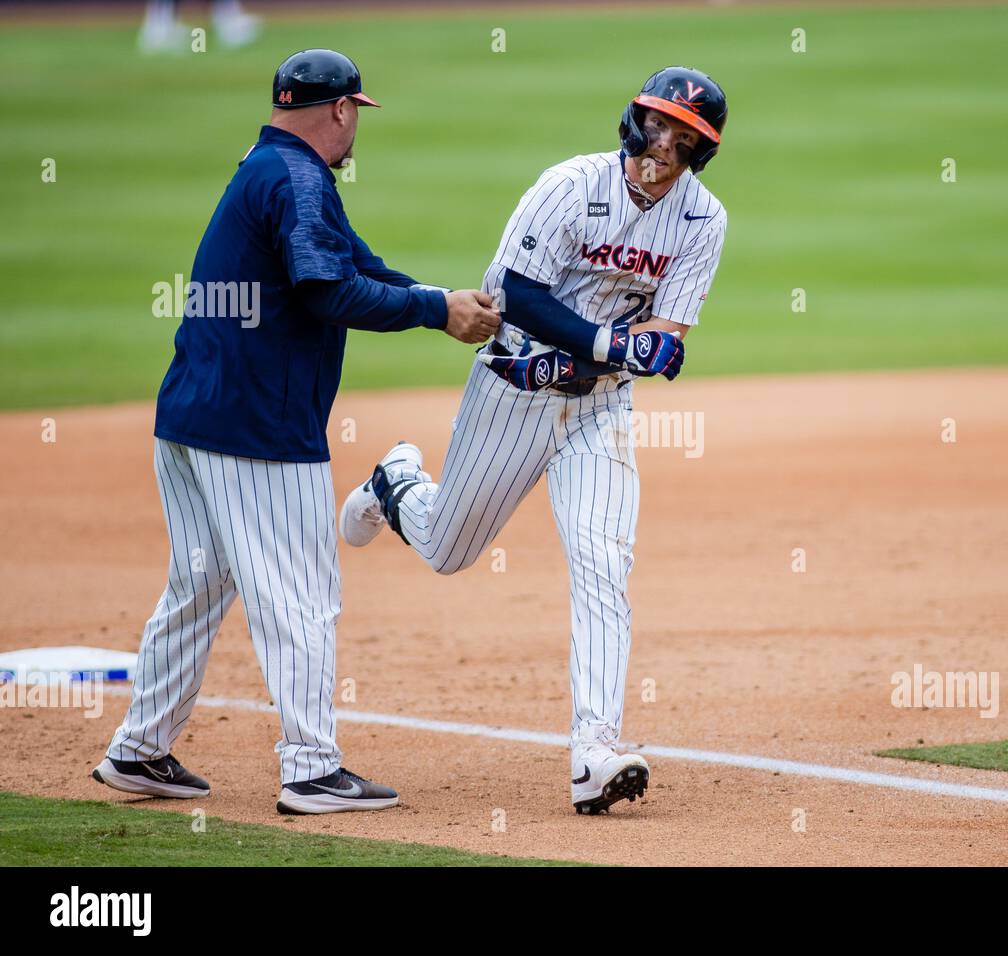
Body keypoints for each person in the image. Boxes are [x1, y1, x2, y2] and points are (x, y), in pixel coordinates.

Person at [93, 49, 499, 815]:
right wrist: (434, 311)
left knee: (200, 585)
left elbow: (354, 262)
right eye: (357, 113)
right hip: (256, 427)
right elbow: (326, 289)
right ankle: (310, 770)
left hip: (187, 416)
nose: (357, 128)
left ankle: (139, 751)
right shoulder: (301, 178)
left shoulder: (268, 165)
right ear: (341, 109)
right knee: (302, 594)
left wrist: (437, 299)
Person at [338, 66, 728, 814]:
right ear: (634, 121)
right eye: (657, 125)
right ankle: (397, 484)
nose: (664, 145)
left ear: (700, 152)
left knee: (602, 562)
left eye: (685, 138)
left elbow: (665, 341)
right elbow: (517, 293)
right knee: (450, 550)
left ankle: (594, 752)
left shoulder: (702, 221)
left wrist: (604, 355)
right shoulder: (570, 187)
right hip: (511, 395)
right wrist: (614, 345)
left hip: (601, 413)